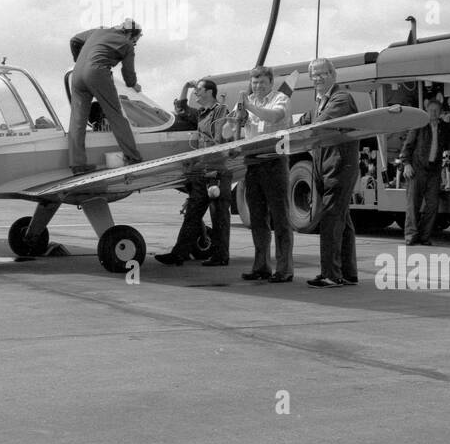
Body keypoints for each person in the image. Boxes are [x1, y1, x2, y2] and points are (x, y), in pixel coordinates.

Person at [154, 78, 232, 267]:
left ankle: (221, 256)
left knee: (219, 215)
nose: (195, 93)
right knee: (192, 215)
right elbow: (181, 109)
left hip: (216, 171)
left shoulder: (221, 111)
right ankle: (179, 254)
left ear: (209, 92)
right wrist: (184, 87)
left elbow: (221, 137)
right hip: (202, 170)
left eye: (198, 90)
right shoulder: (201, 114)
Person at [238, 66, 293, 282]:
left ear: (271, 82)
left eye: (262, 82)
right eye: (254, 82)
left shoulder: (281, 99)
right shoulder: (246, 102)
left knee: (280, 218)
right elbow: (229, 131)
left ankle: (284, 269)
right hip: (253, 163)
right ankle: (261, 266)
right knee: (258, 219)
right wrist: (237, 118)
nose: (257, 86)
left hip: (274, 161)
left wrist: (249, 106)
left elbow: (275, 116)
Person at [306, 58, 358, 288]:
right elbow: (305, 122)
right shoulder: (318, 102)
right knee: (341, 220)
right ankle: (347, 273)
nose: (318, 78)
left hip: (339, 167)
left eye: (322, 74)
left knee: (330, 218)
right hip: (323, 166)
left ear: (333, 75)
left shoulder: (341, 98)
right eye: (314, 75)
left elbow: (319, 124)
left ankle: (331, 274)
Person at [67, 19, 144, 173]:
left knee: (77, 120)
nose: (135, 43)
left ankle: (78, 165)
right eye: (136, 39)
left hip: (76, 75)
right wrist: (133, 84)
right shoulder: (127, 44)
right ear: (130, 34)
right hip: (97, 73)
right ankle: (133, 157)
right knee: (115, 115)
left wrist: (78, 59)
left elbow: (74, 40)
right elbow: (128, 74)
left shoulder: (98, 31)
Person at [399, 97, 450, 245]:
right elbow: (407, 147)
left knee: (432, 205)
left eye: (436, 111)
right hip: (417, 169)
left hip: (434, 171)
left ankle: (424, 236)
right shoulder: (419, 125)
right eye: (430, 110)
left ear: (440, 112)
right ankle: (410, 236)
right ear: (426, 111)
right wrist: (406, 164)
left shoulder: (443, 128)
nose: (433, 113)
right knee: (413, 204)